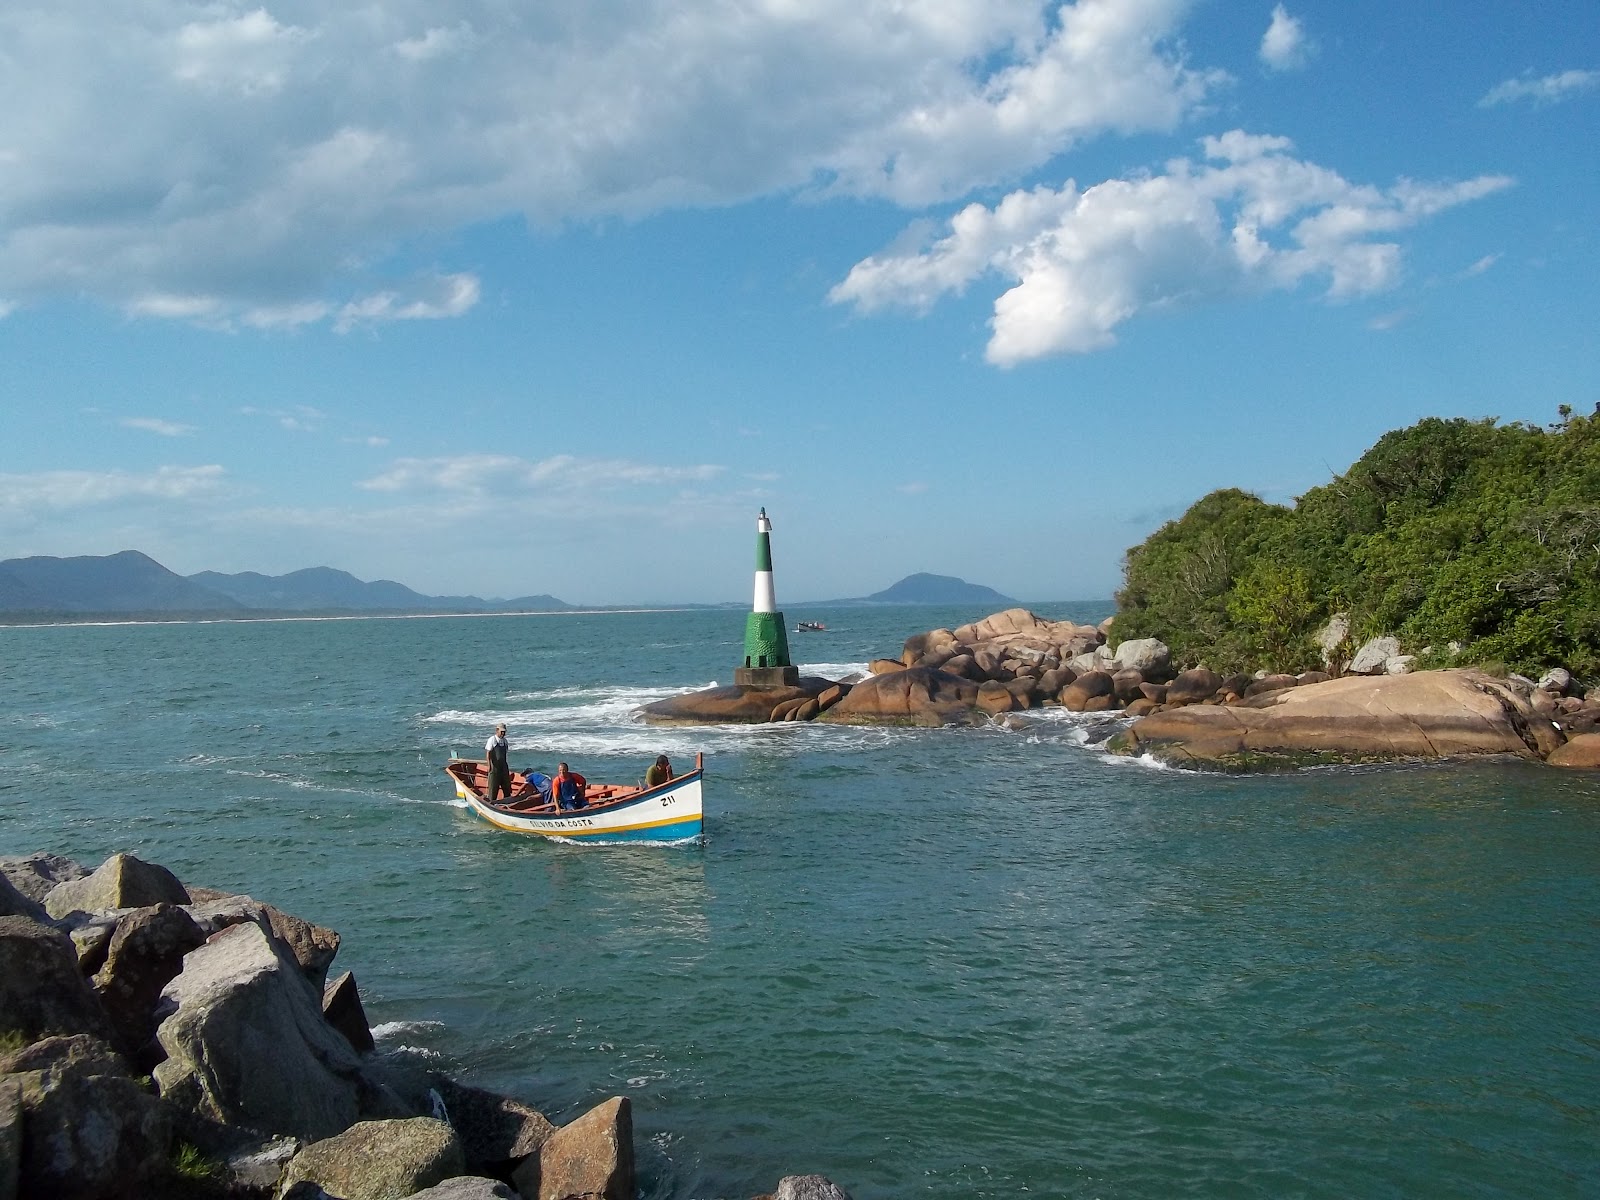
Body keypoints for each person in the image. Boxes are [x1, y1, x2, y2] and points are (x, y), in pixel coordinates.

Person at [485, 724, 513, 805]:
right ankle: (491, 804)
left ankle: (508, 804)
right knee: (493, 788)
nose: (503, 734)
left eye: (504, 732)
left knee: (507, 788)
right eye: (501, 732)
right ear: (497, 730)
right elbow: (488, 754)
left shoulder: (505, 741)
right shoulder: (492, 740)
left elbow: (505, 753)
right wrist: (489, 765)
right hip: (494, 768)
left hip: (503, 768)